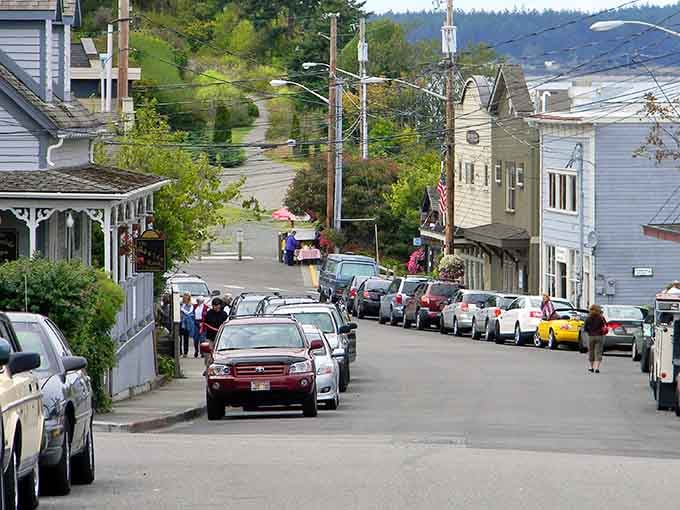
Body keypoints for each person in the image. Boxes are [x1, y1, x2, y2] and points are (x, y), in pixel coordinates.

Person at [203, 298, 230, 367]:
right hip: (210, 337)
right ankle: (208, 367)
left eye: (218, 306)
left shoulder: (224, 314)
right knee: (208, 354)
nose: (216, 307)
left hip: (221, 339)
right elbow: (205, 323)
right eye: (215, 306)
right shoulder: (209, 314)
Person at [583, 304, 608, 373]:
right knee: (598, 352)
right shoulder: (601, 317)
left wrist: (589, 332)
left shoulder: (588, 318)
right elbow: (605, 326)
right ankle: (597, 368)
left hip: (591, 336)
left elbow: (585, 328)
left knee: (591, 351)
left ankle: (591, 367)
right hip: (599, 336)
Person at [179, 292, 196, 358]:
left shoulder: (190, 305)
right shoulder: (180, 304)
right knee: (179, 338)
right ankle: (180, 351)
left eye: (187, 296)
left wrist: (182, 309)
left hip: (186, 323)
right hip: (180, 322)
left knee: (186, 338)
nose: (185, 297)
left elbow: (189, 312)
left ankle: (185, 352)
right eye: (185, 296)